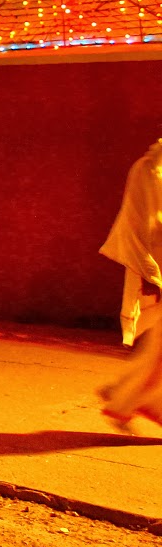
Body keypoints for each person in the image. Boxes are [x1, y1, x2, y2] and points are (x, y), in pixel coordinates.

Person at [97, 137, 162, 429]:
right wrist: (149, 274)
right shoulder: (148, 169)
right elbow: (140, 225)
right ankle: (130, 399)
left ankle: (130, 394)